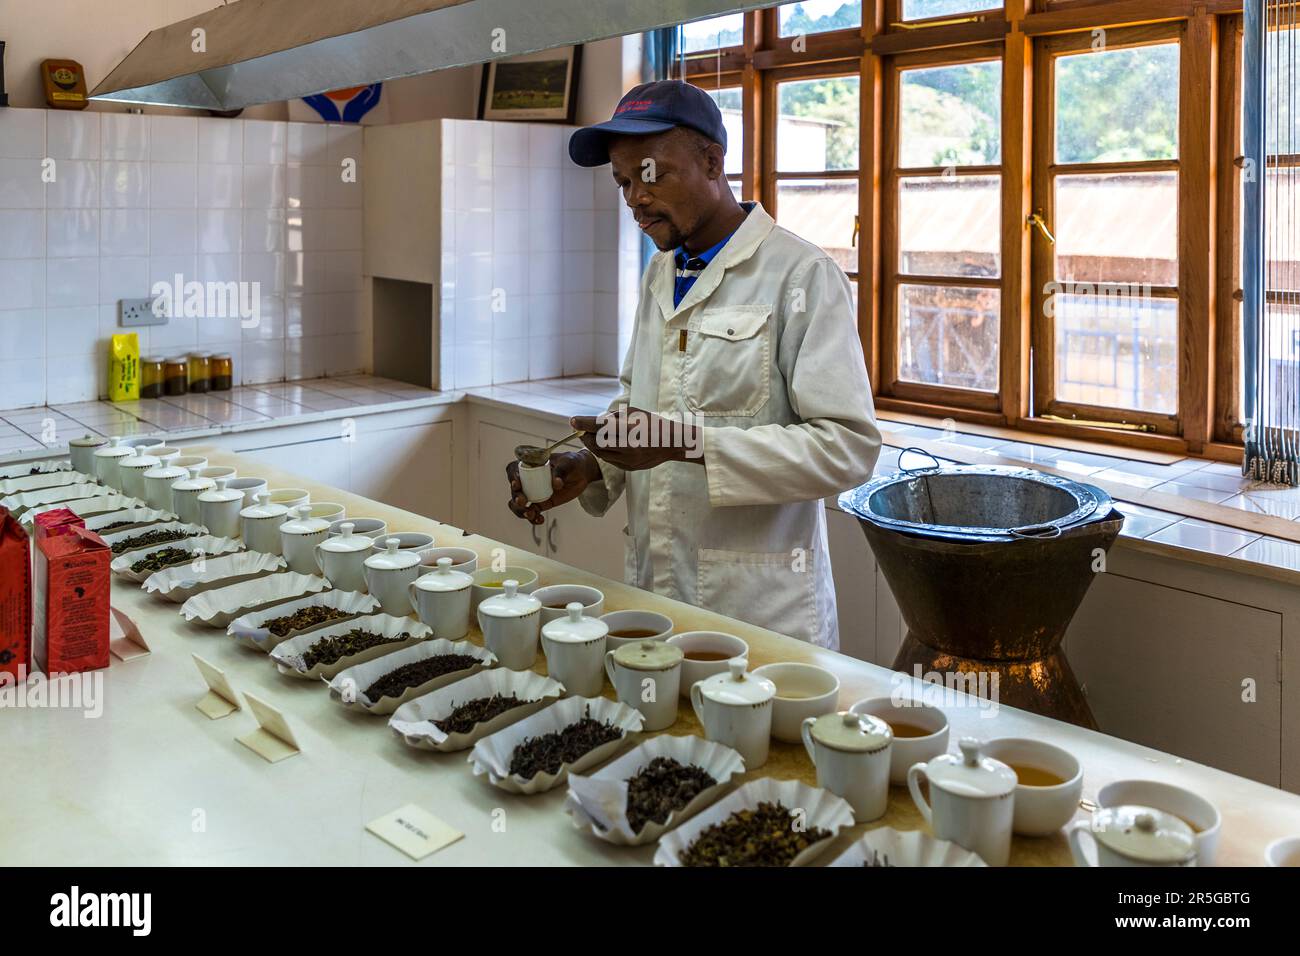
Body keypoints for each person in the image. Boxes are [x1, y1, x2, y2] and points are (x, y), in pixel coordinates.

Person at [506, 80, 880, 649]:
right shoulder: (663, 273)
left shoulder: (800, 276)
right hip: (655, 597)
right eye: (624, 182)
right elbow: (640, 402)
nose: (635, 197)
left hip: (761, 614)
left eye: (651, 175)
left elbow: (847, 448)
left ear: (712, 161)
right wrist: (593, 465)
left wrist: (689, 444)